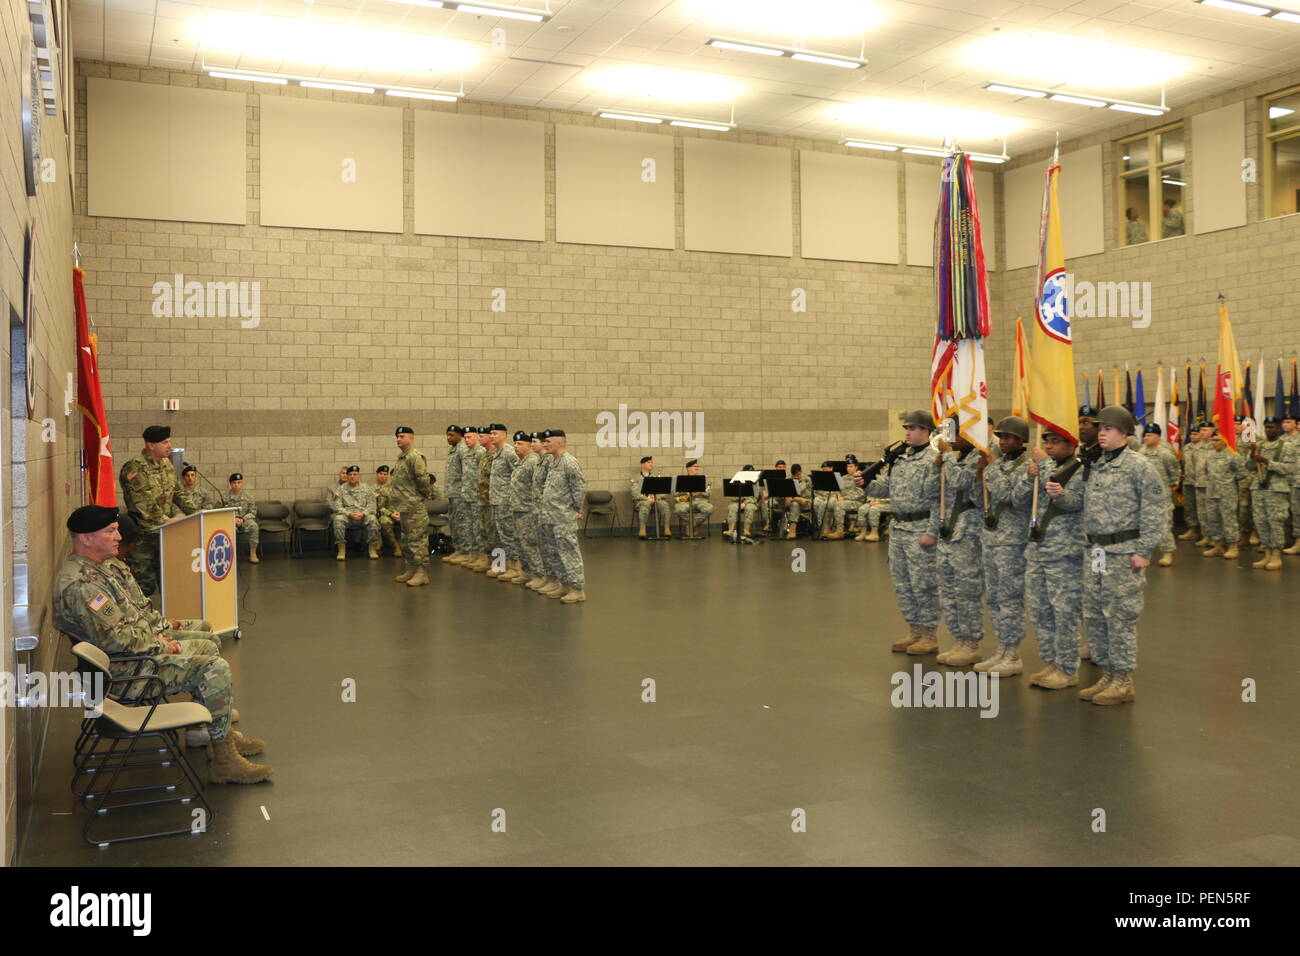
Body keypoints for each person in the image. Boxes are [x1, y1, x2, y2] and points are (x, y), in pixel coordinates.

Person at [52, 505, 272, 783]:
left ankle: (216, 735)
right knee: (214, 669)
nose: (118, 537)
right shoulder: (82, 585)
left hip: (123, 662)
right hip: (124, 673)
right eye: (110, 531)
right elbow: (118, 640)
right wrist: (160, 645)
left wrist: (158, 637)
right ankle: (224, 760)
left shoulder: (96, 571)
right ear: (85, 538)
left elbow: (127, 624)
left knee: (208, 655)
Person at [1078, 405, 1165, 705]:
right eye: (1100, 428)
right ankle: (1107, 673)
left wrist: (1144, 551)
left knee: (1120, 616)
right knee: (1095, 613)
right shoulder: (1096, 463)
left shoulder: (1139, 466)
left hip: (1124, 552)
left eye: (1109, 429)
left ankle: (1123, 679)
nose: (1102, 433)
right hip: (1097, 551)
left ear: (1125, 433)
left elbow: (1155, 510)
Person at [862, 411, 941, 653]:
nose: (907, 432)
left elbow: (939, 500)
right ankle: (914, 630)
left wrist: (932, 532)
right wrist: (864, 482)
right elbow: (882, 489)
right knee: (903, 583)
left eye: (913, 428)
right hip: (898, 529)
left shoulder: (934, 460)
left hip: (920, 528)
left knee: (923, 583)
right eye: (906, 428)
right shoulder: (900, 459)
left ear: (926, 431)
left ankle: (929, 635)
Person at [1022, 427, 1085, 688]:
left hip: (1064, 553)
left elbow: (1074, 502)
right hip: (1038, 548)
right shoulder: (1044, 467)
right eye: (1047, 441)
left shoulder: (1080, 470)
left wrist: (1046, 466)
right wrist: (1030, 476)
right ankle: (1051, 661)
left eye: (1056, 441)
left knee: (1064, 611)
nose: (1049, 446)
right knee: (1039, 609)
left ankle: (1067, 668)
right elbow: (1025, 499)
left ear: (1071, 445)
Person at [971, 416, 1032, 677]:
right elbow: (980, 498)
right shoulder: (999, 464)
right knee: (994, 598)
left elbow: (1011, 496)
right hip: (992, 537)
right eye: (1000, 437)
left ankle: (1013, 654)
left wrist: (992, 468)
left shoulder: (1026, 466)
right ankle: (1002, 647)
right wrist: (979, 474)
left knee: (1010, 598)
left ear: (1021, 439)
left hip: (1012, 540)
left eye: (1008, 437)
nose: (1003, 442)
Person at [118, 425, 195, 595]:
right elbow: (143, 503)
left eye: (170, 442)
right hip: (143, 538)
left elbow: (178, 494)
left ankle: (164, 621)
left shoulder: (167, 465)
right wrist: (166, 521)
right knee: (144, 586)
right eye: (165, 442)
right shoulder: (135, 468)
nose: (170, 446)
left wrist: (197, 513)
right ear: (151, 445)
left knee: (169, 584)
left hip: (165, 536)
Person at [933, 423, 985, 665]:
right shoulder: (955, 457)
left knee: (966, 590)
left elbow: (961, 481)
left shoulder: (979, 457)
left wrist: (946, 457)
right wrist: (938, 466)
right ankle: (959, 639)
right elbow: (934, 491)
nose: (950, 438)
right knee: (948, 590)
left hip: (968, 532)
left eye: (955, 433)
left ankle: (971, 642)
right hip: (948, 531)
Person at [539, 429, 587, 603]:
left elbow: (579, 488)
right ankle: (564, 585)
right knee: (556, 554)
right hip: (551, 516)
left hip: (563, 517)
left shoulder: (569, 462)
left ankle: (577, 589)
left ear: (560, 442)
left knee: (569, 553)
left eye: (548, 441)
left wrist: (575, 509)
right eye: (544, 442)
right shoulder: (553, 461)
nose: (545, 444)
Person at [1250, 417, 1297, 570]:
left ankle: (1276, 556)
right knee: (1261, 523)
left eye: (1272, 427)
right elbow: (1249, 467)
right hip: (1259, 489)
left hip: (1276, 490)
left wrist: (1267, 461)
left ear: (1278, 428)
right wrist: (1252, 457)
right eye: (1266, 427)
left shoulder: (1287, 447)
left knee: (1275, 523)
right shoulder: (1260, 445)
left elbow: (1289, 469)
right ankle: (1267, 554)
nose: (1269, 430)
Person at [390, 426, 433, 587]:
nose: (398, 439)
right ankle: (412, 568)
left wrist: (419, 497)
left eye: (402, 436)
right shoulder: (402, 457)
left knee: (417, 540)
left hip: (414, 506)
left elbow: (423, 480)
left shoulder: (415, 457)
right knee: (407, 540)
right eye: (397, 436)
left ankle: (422, 572)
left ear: (411, 437)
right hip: (404, 507)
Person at [1137, 423, 1179, 566]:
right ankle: (1144, 554)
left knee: (1164, 525)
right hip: (1143, 495)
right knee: (1143, 526)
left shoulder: (1165, 454)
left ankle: (1167, 553)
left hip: (1161, 495)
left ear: (1158, 437)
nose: (1146, 438)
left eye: (1150, 435)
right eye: (1145, 435)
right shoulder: (1140, 453)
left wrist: (1171, 485)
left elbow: (1174, 473)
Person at [503, 431, 541, 584]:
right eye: (515, 443)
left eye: (519, 444)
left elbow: (537, 487)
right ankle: (526, 572)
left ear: (529, 445)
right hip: (517, 509)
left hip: (528, 510)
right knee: (520, 543)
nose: (515, 446)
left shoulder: (533, 462)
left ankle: (538, 575)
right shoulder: (521, 462)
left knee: (530, 544)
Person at [1200, 432, 1244, 559]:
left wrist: (1228, 481)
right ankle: (1217, 546)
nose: (1214, 443)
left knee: (1229, 520)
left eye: (1217, 440)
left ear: (1224, 441)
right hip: (1212, 492)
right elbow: (1206, 471)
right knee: (1213, 520)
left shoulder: (1233, 455)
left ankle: (1233, 547)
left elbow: (1242, 473)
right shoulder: (1210, 456)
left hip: (1227, 493)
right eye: (1212, 440)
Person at [487, 425, 520, 577]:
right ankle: (500, 565)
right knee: (497, 535)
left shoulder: (509, 453)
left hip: (505, 501)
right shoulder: (496, 453)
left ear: (504, 435)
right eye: (490, 433)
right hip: (495, 500)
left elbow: (518, 476)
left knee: (508, 534)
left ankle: (515, 567)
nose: (491, 436)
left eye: (495, 433)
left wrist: (512, 498)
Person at [331, 465, 379, 560]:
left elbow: (372, 504)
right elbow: (337, 505)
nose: (352, 476)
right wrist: (348, 513)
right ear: (347, 476)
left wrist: (363, 513)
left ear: (359, 476)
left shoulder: (367, 488)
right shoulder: (341, 489)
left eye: (355, 474)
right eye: (350, 474)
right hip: (347, 516)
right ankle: (341, 549)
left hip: (362, 516)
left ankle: (372, 549)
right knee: (338, 520)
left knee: (373, 520)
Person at [458, 428, 487, 571]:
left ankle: (482, 556)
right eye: (465, 438)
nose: (466, 440)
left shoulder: (480, 452)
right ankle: (473, 555)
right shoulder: (466, 453)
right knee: (470, 526)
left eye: (469, 437)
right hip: (467, 496)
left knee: (478, 527)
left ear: (476, 437)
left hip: (477, 497)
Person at [441, 426, 466, 565]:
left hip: (459, 494)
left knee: (461, 523)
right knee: (454, 523)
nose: (448, 438)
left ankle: (464, 551)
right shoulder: (452, 450)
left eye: (451, 435)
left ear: (459, 436)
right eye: (447, 435)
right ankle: (458, 549)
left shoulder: (462, 450)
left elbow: (466, 472)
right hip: (452, 493)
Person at [224, 473, 261, 564]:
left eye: (239, 482)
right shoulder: (224, 497)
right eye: (234, 483)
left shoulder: (248, 497)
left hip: (245, 520)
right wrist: (233, 519)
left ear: (242, 483)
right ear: (230, 484)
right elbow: (221, 513)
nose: (236, 485)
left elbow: (252, 512)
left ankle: (253, 553)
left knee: (254, 526)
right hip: (230, 521)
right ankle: (227, 555)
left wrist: (243, 519)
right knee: (224, 528)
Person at [631, 456, 670, 539]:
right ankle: (642, 529)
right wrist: (647, 499)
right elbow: (635, 493)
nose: (651, 464)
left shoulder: (655, 477)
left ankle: (666, 528)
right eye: (648, 462)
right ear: (642, 464)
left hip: (655, 500)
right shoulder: (636, 478)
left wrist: (656, 498)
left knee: (664, 504)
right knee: (645, 504)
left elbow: (663, 492)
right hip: (642, 501)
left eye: (651, 462)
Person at [674, 459, 712, 537]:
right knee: (678, 509)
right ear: (688, 468)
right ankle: (695, 525)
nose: (697, 468)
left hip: (700, 501)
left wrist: (699, 491)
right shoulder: (681, 480)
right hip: (685, 501)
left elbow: (708, 493)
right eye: (695, 466)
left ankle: (691, 525)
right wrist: (685, 491)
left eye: (697, 466)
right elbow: (675, 494)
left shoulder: (703, 479)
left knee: (709, 508)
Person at [725, 466, 761, 542]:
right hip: (738, 501)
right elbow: (733, 497)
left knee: (749, 508)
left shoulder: (755, 482)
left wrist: (745, 502)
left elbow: (755, 497)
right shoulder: (737, 481)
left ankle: (746, 530)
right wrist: (739, 499)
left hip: (751, 502)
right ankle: (731, 530)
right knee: (732, 507)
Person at [375, 466, 401, 557]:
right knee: (383, 520)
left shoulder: (407, 490)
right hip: (390, 515)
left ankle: (410, 547)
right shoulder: (385, 489)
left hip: (405, 514)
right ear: (392, 476)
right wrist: (391, 514)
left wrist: (402, 513)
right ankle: (395, 545)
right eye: (395, 475)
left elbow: (413, 504)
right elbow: (381, 507)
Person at [781, 464, 811, 539]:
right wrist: (787, 497)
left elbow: (805, 494)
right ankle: (786, 526)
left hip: (806, 502)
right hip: (792, 502)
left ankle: (792, 530)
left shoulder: (807, 479)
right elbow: (783, 492)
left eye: (798, 475)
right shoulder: (788, 479)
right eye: (795, 475)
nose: (797, 477)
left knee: (795, 504)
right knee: (792, 503)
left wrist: (794, 498)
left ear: (801, 472)